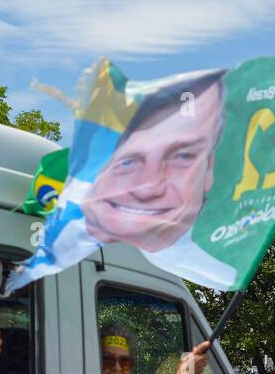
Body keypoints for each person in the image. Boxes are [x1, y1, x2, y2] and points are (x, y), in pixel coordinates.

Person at [72, 71, 238, 289]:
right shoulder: (81, 245)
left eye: (181, 156)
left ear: (208, 170)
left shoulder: (214, 272)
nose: (149, 188)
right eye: (128, 161)